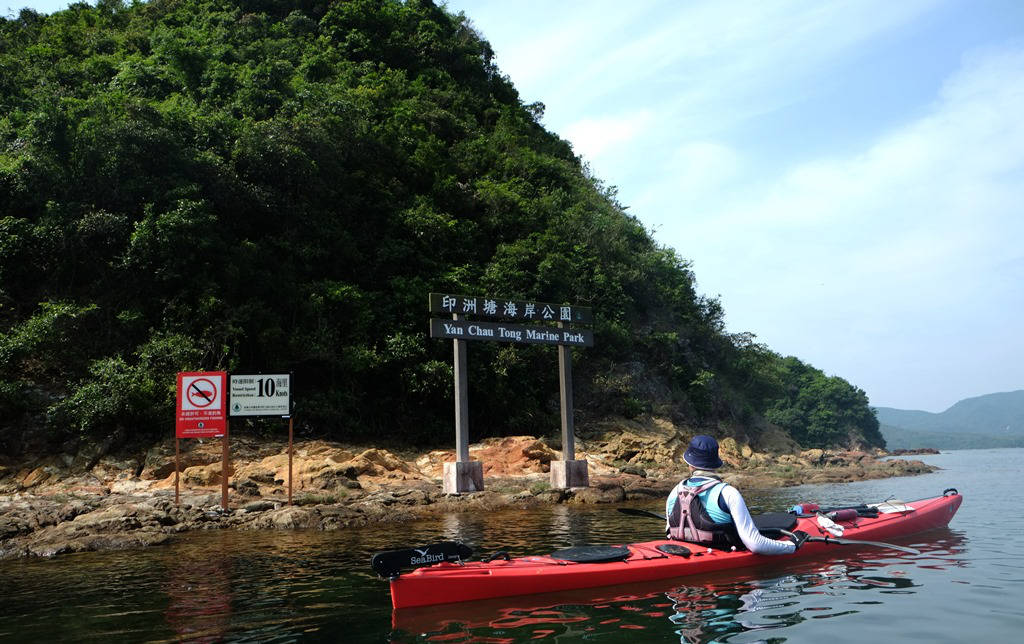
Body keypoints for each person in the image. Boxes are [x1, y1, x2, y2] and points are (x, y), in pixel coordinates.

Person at [666, 435, 807, 554]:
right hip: (722, 556)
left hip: (684, 553)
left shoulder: (675, 491)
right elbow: (755, 544)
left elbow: (669, 533)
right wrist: (792, 545)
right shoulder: (728, 493)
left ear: (689, 463)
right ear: (715, 464)